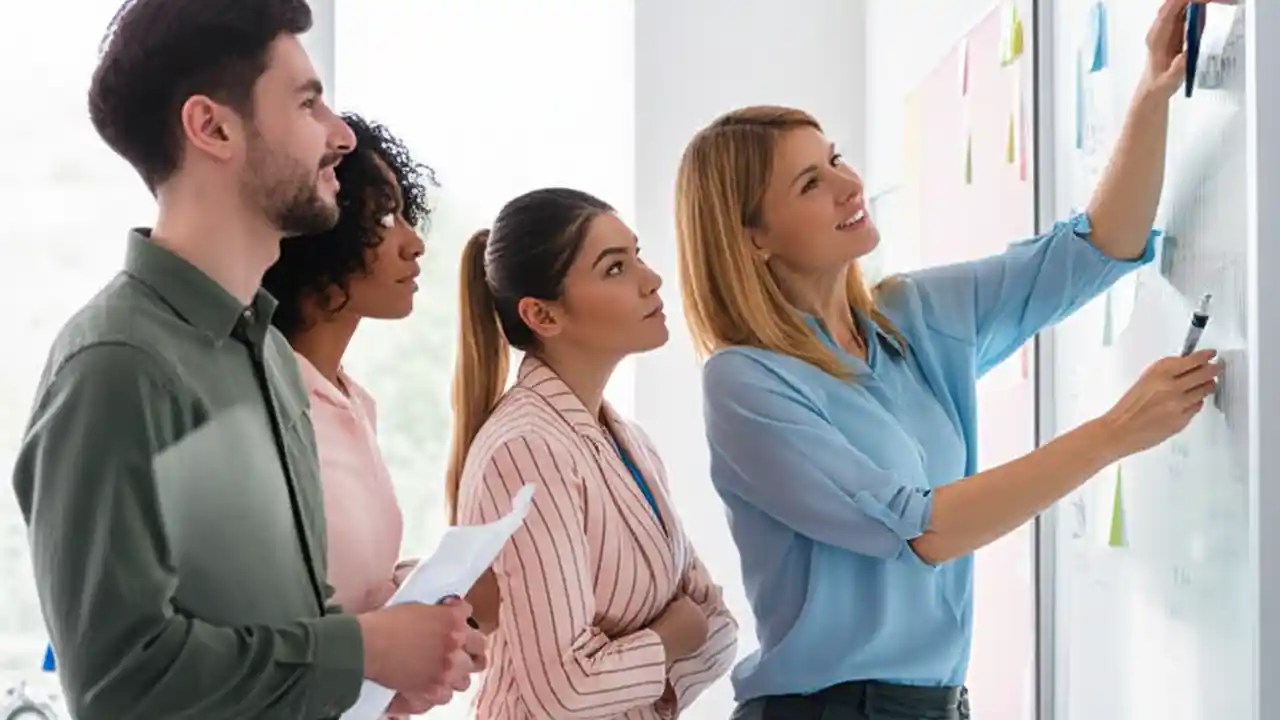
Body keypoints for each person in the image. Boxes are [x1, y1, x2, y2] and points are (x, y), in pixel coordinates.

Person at [674, 1, 1220, 718]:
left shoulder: (913, 317)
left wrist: (1152, 89)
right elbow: (923, 530)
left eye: (835, 159)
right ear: (752, 240)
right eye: (811, 184)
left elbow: (1094, 252)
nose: (849, 184)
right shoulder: (746, 381)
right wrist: (1116, 432)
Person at [11, 2, 483, 718]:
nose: (341, 133)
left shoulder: (264, 349)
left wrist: (387, 660)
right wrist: (367, 650)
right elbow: (118, 684)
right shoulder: (116, 367)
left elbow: (273, 620)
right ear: (213, 128)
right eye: (306, 102)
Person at [447, 188, 739, 718]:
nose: (651, 279)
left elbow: (718, 626)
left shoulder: (630, 442)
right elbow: (566, 688)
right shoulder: (526, 449)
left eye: (638, 255)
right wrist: (668, 641)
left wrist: (639, 661)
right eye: (614, 268)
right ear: (541, 314)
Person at [263, 112, 499, 630]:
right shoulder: (265, 407)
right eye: (386, 218)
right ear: (322, 228)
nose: (414, 243)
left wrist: (427, 596)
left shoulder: (352, 402)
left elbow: (353, 592)